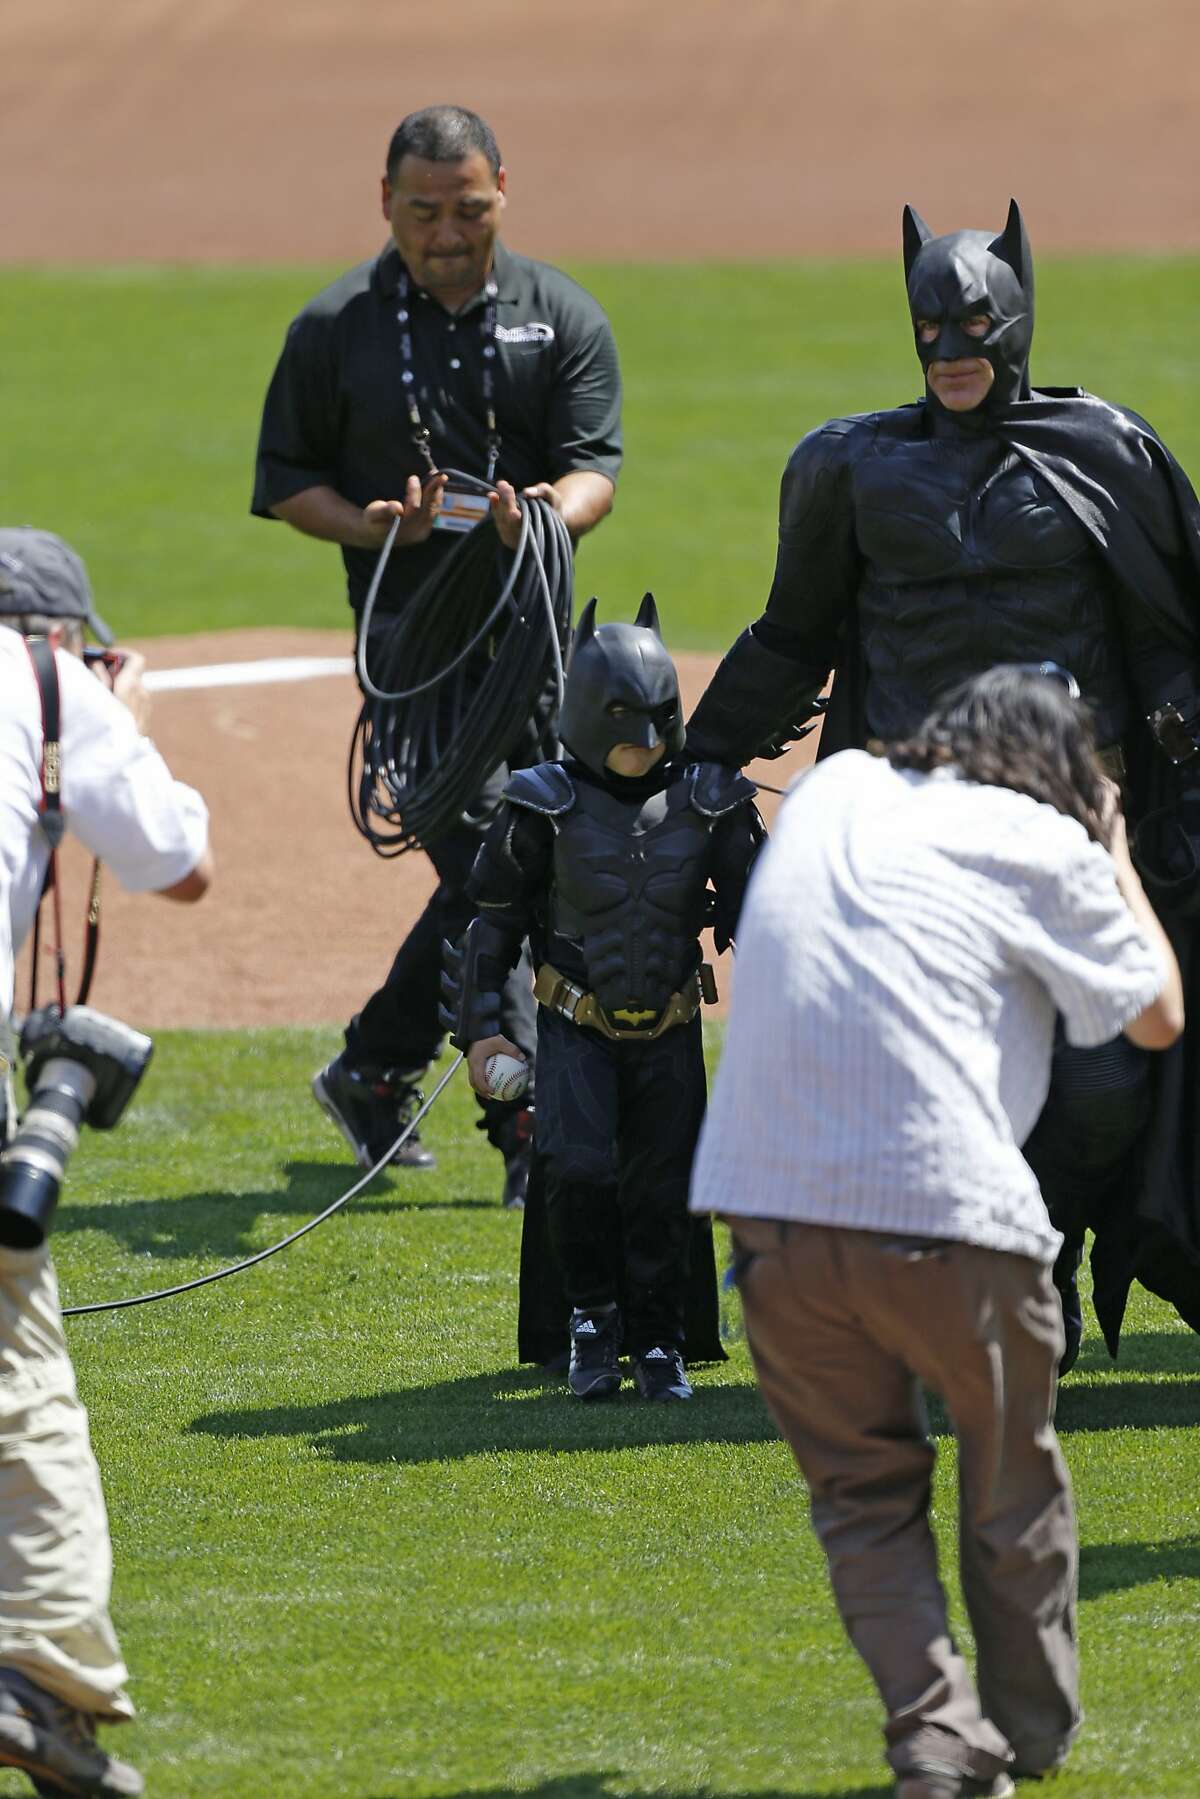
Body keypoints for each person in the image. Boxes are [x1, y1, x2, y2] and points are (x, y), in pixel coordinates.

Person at [687, 198, 1200, 1366]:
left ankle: (1044, 1242)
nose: (952, 359)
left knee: (1111, 1074)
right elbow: (791, 634)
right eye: (932, 338)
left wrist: (1178, 721)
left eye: (973, 334)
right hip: (913, 826)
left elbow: (1169, 621)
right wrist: (703, 756)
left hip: (1074, 813)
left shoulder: (1105, 452)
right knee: (931, 1069)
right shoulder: (846, 467)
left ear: (1014, 326)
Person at [692, 668, 1182, 1799]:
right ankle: (1032, 1734)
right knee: (1012, 1480)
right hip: (952, 1213)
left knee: (863, 1497)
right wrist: (1106, 838)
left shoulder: (836, 787)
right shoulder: (1040, 833)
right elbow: (1156, 1009)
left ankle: (938, 1740)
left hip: (769, 1209)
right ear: (1060, 767)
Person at [251, 103, 622, 1205]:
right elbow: (287, 483)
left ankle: (372, 1066)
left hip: (537, 645)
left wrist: (547, 511)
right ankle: (524, 1127)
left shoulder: (562, 316)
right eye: (424, 211)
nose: (449, 232)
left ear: (504, 187)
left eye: (468, 208)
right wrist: (374, 526)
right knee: (493, 872)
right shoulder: (333, 329)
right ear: (385, 203)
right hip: (412, 664)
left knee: (513, 863)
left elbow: (596, 468)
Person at [0, 527, 212, 1797]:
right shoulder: (43, 681)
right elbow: (183, 865)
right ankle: (45, 1677)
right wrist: (101, 715)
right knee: (23, 1389)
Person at [444, 596, 762, 1399]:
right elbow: (492, 925)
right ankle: (590, 1323)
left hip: (671, 1028)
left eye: (658, 719)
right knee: (578, 1171)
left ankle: (659, 1341)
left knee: (664, 1185)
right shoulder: (540, 804)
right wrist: (483, 1031)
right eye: (626, 722)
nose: (645, 742)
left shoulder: (712, 798)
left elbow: (770, 913)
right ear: (588, 714)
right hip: (574, 1026)